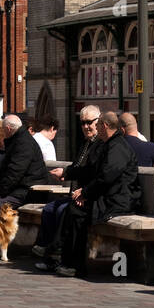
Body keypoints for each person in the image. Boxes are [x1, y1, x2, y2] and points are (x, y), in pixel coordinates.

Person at [55, 111, 140, 278]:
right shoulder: (107, 144)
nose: (95, 128)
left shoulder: (117, 147)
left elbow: (107, 176)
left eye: (98, 125)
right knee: (72, 209)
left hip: (120, 200)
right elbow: (92, 170)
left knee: (76, 212)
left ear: (105, 126)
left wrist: (85, 193)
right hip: (108, 196)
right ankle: (65, 259)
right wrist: (68, 173)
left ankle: (75, 265)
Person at [33, 106, 101, 270]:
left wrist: (70, 176)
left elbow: (94, 172)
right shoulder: (85, 143)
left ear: (99, 122)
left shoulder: (100, 145)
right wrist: (66, 173)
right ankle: (45, 249)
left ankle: (55, 253)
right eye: (82, 123)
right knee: (49, 208)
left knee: (62, 210)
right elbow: (78, 166)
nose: (85, 127)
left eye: (89, 123)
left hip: (89, 196)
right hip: (76, 194)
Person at [0, 113, 45, 221]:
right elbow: (4, 170)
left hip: (30, 190)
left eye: (4, 130)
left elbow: (14, 172)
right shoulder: (16, 140)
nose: (3, 132)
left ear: (9, 129)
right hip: (19, 187)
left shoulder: (24, 143)